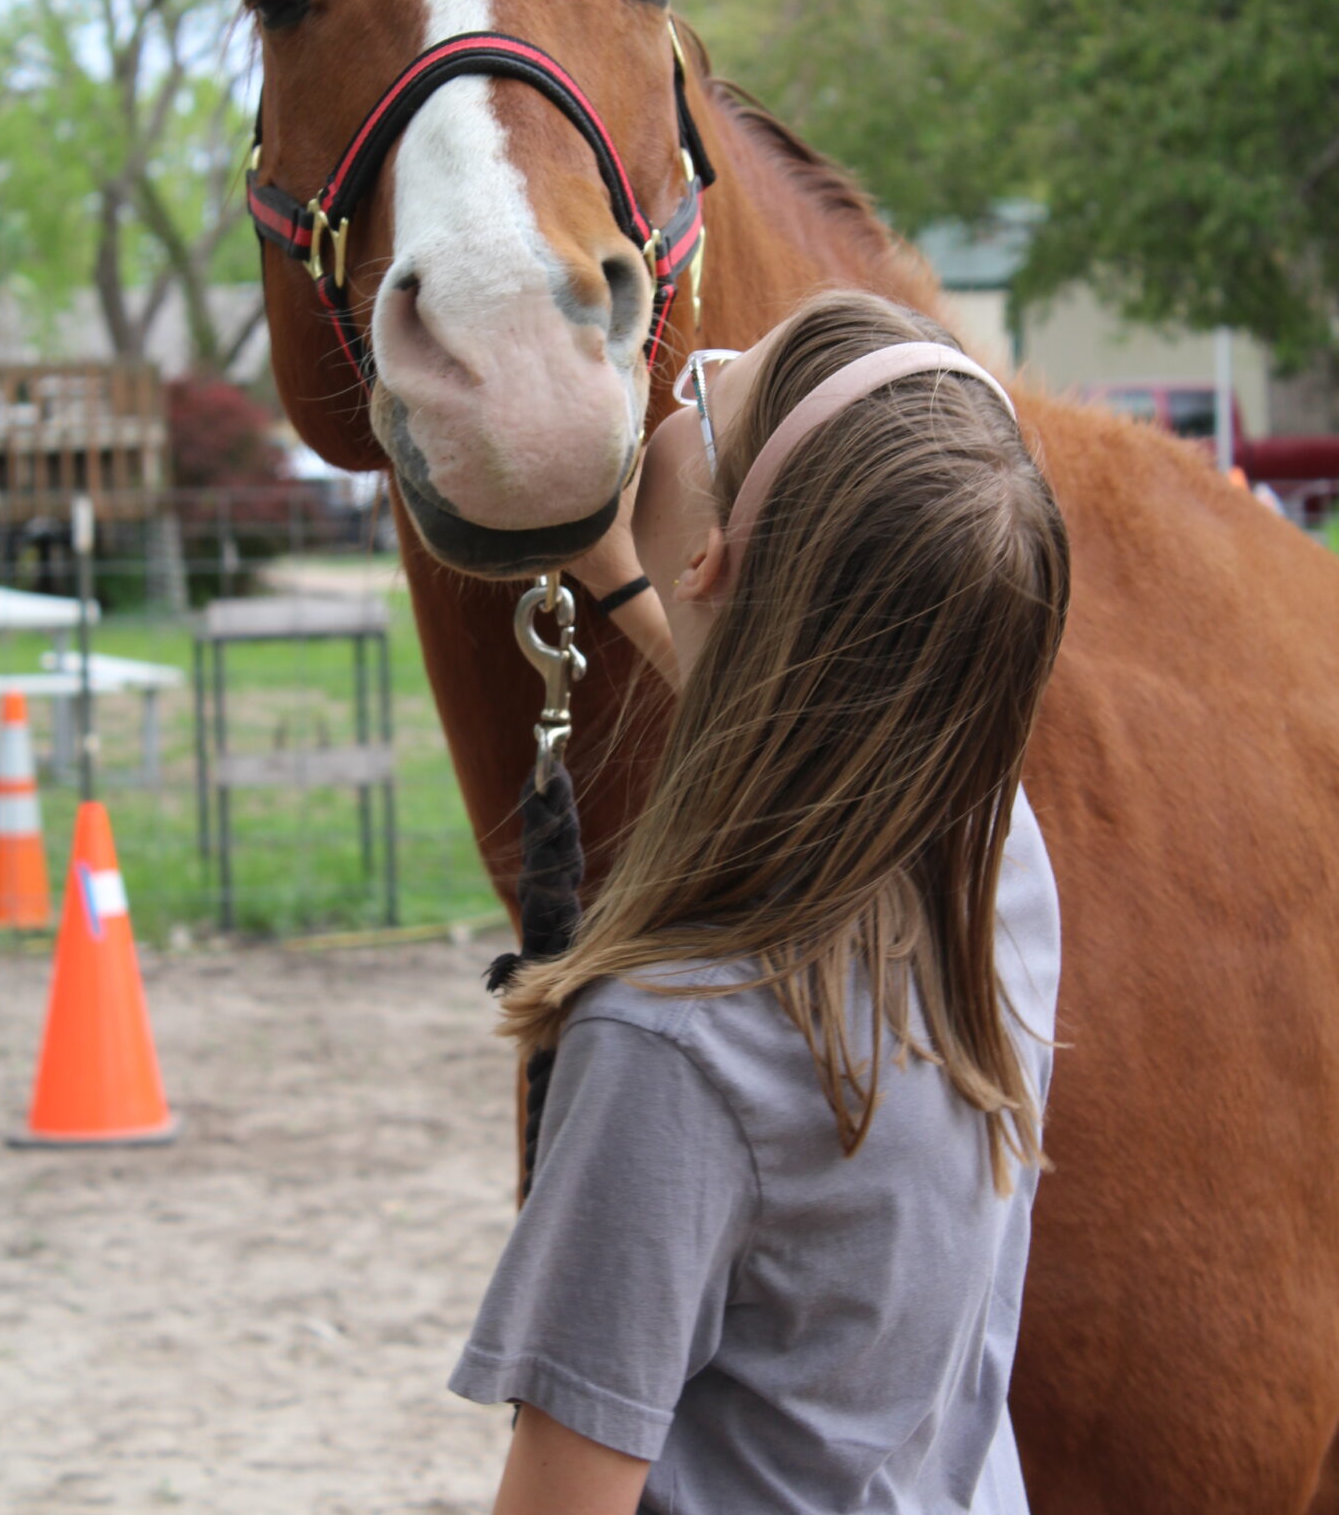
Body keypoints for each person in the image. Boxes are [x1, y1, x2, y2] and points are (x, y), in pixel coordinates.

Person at [449, 290, 1071, 1515]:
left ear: (717, 559)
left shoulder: (673, 1042)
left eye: (704, 392)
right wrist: (640, 582)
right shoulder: (994, 854)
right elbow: (815, 707)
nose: (686, 383)